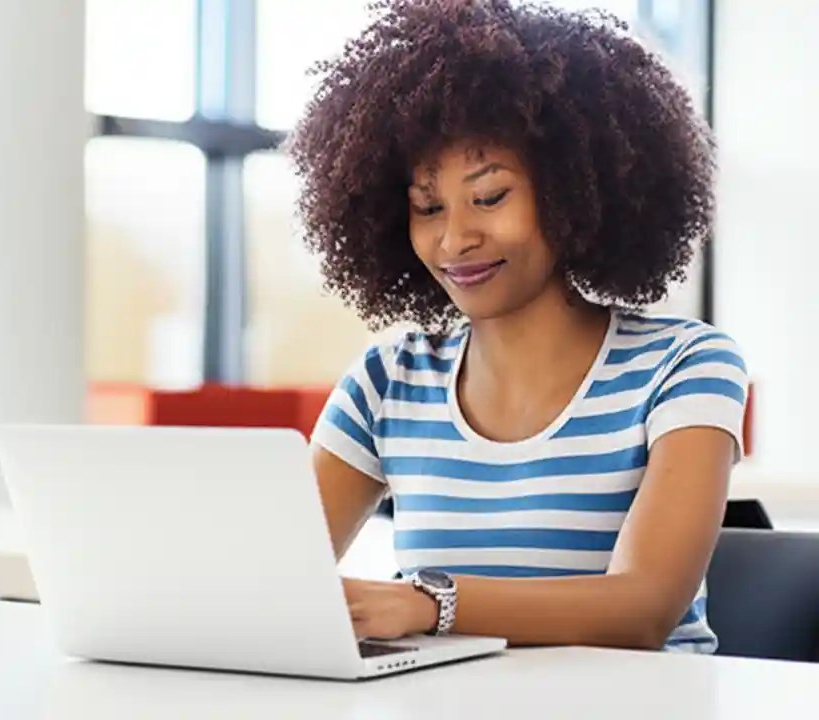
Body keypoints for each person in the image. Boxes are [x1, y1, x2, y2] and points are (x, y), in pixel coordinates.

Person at [291, 0, 746, 653]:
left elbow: (643, 608)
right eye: (427, 206)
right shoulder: (387, 380)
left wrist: (428, 604)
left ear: (572, 192)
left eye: (491, 196)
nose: (455, 238)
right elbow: (273, 580)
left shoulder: (686, 365)